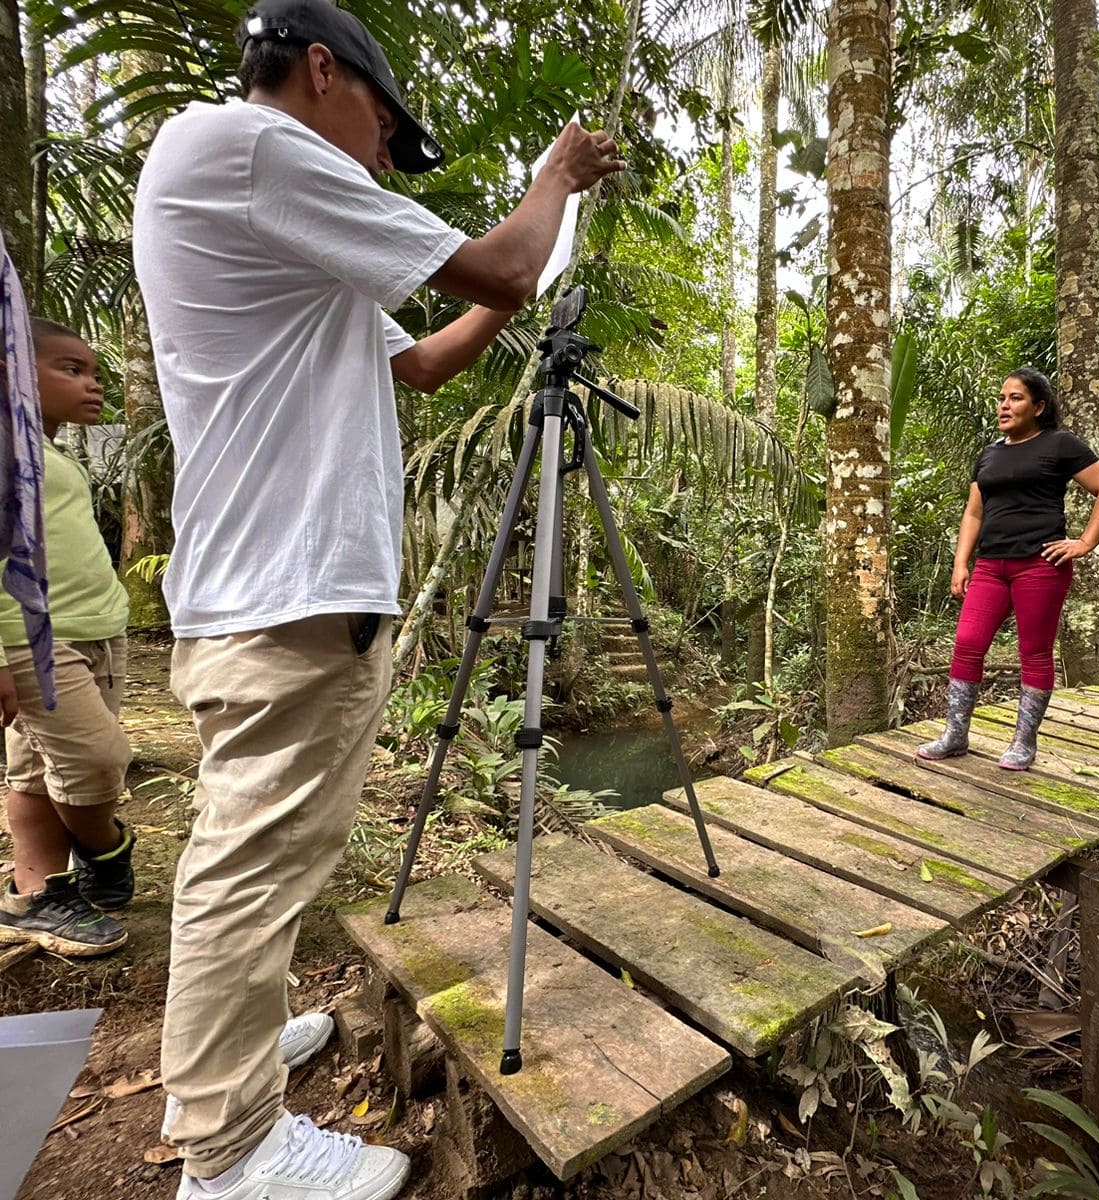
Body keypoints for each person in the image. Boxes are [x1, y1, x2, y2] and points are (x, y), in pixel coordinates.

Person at [130, 0, 624, 1195]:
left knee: (270, 855)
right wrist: (553, 179)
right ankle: (229, 1158)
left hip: (278, 584)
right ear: (319, 71)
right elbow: (503, 259)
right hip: (284, 589)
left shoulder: (276, 212)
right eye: (384, 139)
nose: (376, 168)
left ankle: (233, 1066)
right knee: (245, 869)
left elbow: (415, 361)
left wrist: (513, 294)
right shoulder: (255, 148)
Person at [0, 319, 133, 957]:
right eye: (70, 369)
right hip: (31, 639)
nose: (92, 384)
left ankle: (36, 894)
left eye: (95, 373)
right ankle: (108, 849)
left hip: (93, 630)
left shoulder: (48, 450)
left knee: (32, 770)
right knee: (96, 761)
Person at [917, 367, 1099, 770]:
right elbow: (974, 512)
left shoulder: (1060, 444)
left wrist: (1084, 543)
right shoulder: (989, 454)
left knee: (1033, 652)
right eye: (1001, 398)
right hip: (991, 566)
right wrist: (961, 562)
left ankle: (1024, 742)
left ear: (1039, 406)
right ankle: (955, 735)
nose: (1004, 405)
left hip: (1040, 565)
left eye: (1015, 398)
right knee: (967, 643)